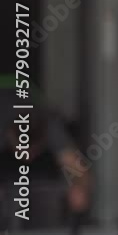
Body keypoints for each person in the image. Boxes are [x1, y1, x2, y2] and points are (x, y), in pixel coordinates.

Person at [0, 85, 91, 226]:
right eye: (21, 150)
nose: (28, 158)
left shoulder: (52, 125)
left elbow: (78, 168)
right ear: (10, 135)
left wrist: (79, 188)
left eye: (33, 151)